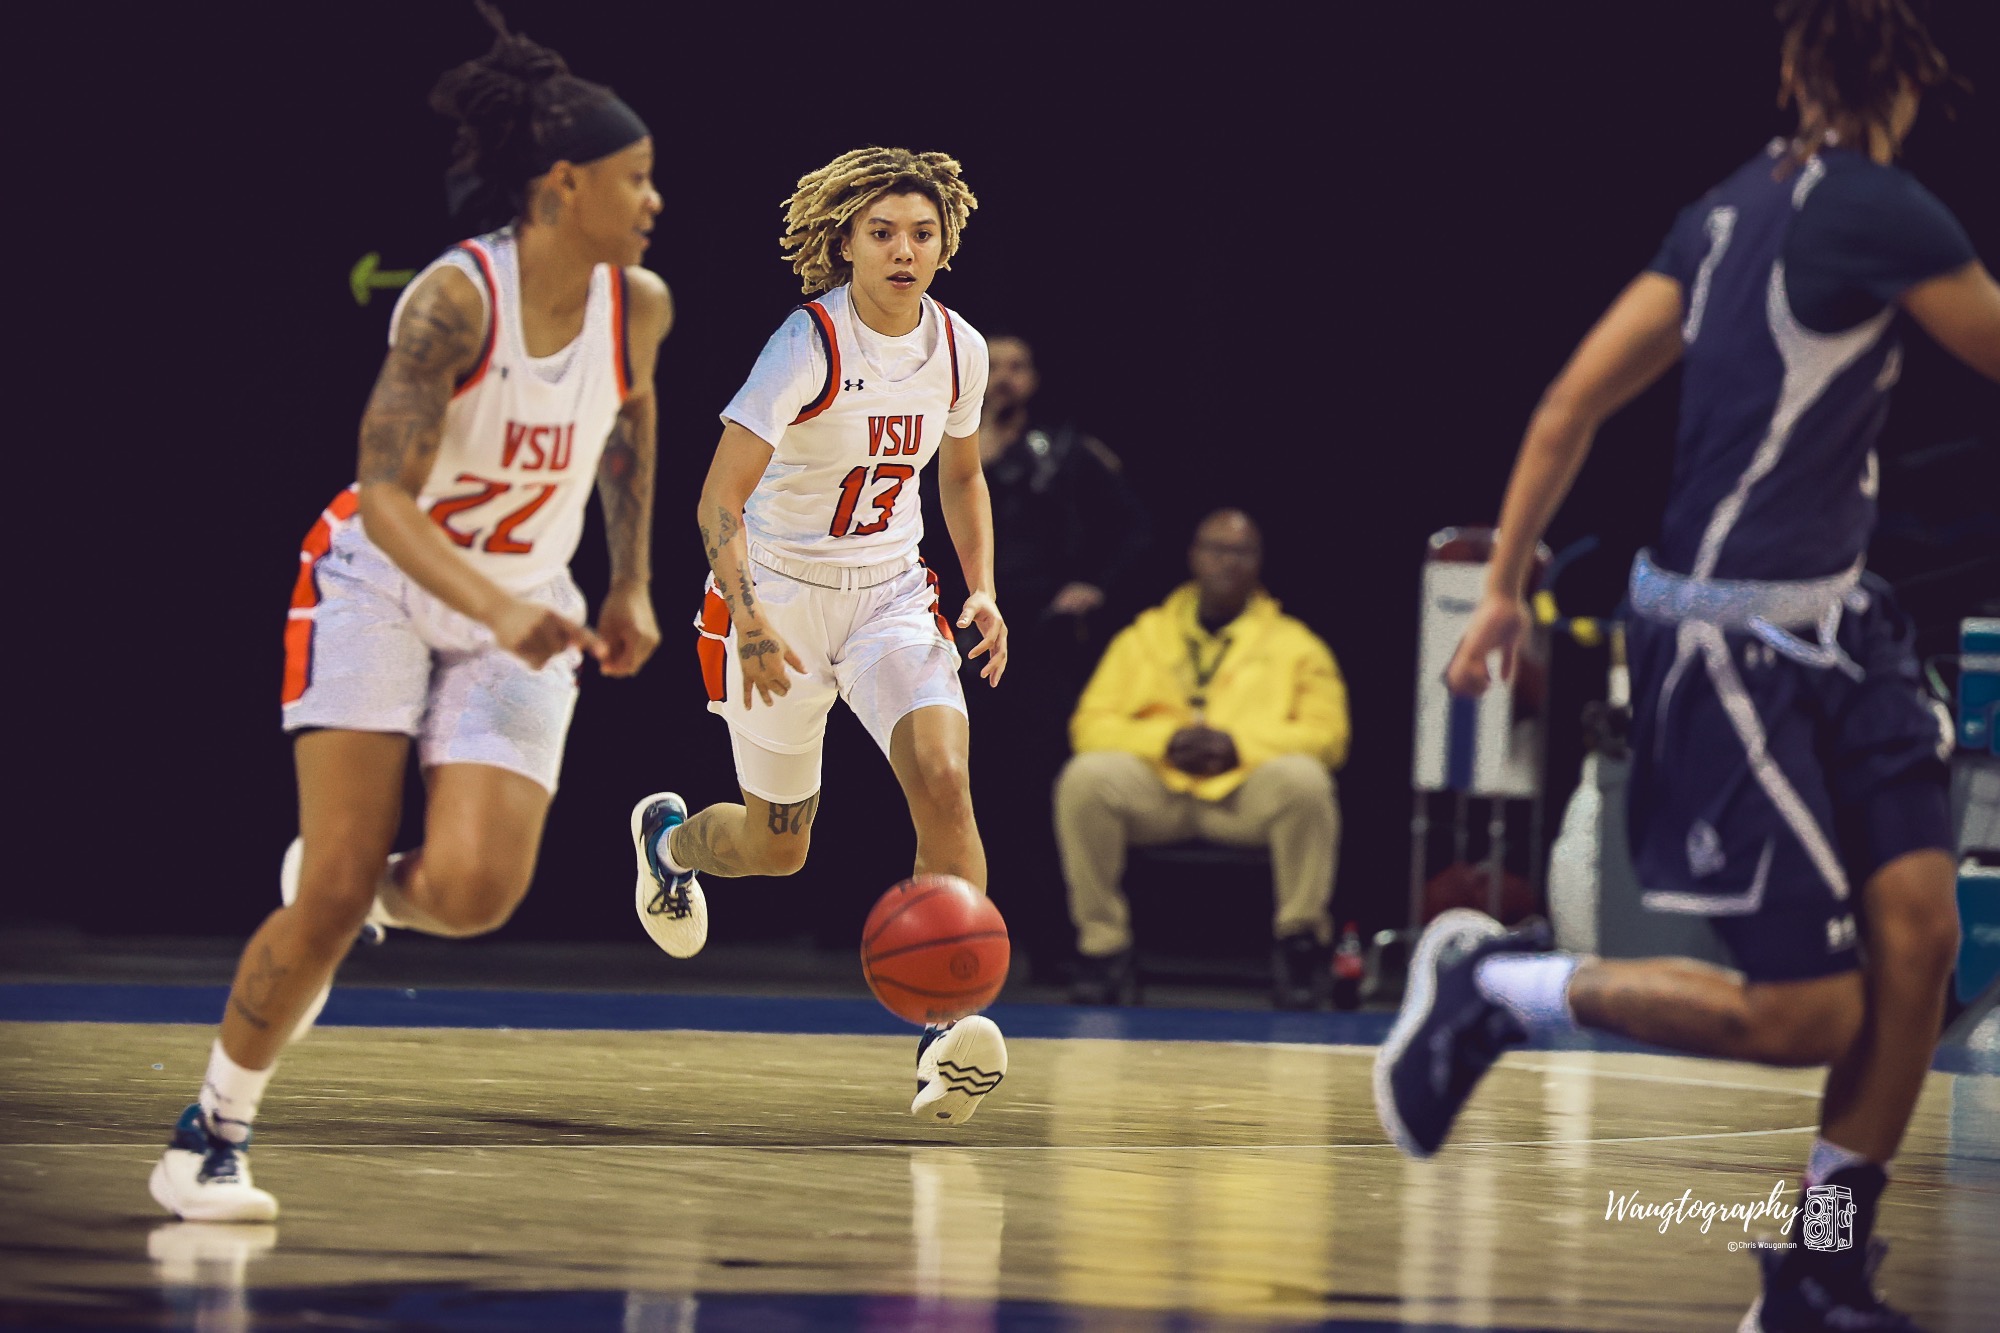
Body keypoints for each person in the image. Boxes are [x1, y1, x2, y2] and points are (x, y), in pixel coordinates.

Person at [1373, 2, 2000, 1327]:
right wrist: (1499, 592)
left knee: (1922, 941)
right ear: (1914, 86)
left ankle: (1819, 1267)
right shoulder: (1883, 209)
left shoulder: (1716, 214)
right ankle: (1499, 983)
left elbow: (1567, 406)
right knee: (1814, 1014)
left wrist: (1502, 592)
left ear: (1790, 71)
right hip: (1725, 645)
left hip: (1846, 627)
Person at [149, 8, 671, 1222]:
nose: (653, 202)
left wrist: (633, 578)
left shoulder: (636, 304)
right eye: (635, 180)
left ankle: (352, 894)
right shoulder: (455, 301)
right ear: (563, 184)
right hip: (378, 584)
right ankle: (209, 1134)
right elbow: (384, 499)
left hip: (525, 596)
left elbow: (630, 428)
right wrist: (492, 599)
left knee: (477, 891)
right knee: (325, 888)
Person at [629, 147, 1011, 1126]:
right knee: (774, 847)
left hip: (889, 593)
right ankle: (669, 843)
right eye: (881, 232)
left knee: (942, 775)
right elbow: (720, 498)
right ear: (843, 240)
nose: (902, 249)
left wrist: (983, 590)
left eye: (920, 233)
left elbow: (960, 478)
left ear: (944, 243)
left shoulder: (960, 348)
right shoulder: (807, 344)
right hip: (779, 599)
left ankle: (949, 1022)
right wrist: (746, 612)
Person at [1057, 509, 1350, 1008]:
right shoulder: (1142, 637)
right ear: (1193, 556)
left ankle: (1300, 945)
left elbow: (1330, 737)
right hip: (1159, 793)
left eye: (1241, 552)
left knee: (1306, 781)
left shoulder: (1297, 646)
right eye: (1216, 549)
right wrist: (1165, 742)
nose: (1227, 562)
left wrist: (1239, 746)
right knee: (1086, 779)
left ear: (1259, 562)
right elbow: (1088, 725)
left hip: (1244, 796)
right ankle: (1103, 948)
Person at [920, 333, 1152, 959]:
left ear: (1034, 380)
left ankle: (1049, 941)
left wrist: (1094, 587)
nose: (1005, 379)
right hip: (960, 641)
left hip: (1042, 645)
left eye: (1018, 368)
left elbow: (1132, 528)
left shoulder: (1068, 451)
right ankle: (952, 936)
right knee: (957, 783)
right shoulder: (944, 449)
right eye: (994, 367)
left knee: (1042, 788)